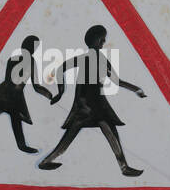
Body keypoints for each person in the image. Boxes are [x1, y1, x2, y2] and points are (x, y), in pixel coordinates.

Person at [39, 24, 146, 176]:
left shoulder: (90, 59)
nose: (103, 42)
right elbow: (117, 81)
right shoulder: (96, 59)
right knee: (105, 129)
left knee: (76, 132)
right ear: (97, 40)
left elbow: (61, 69)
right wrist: (136, 90)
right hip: (92, 104)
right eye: (102, 39)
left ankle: (46, 161)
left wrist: (61, 92)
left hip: (88, 103)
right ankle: (123, 167)